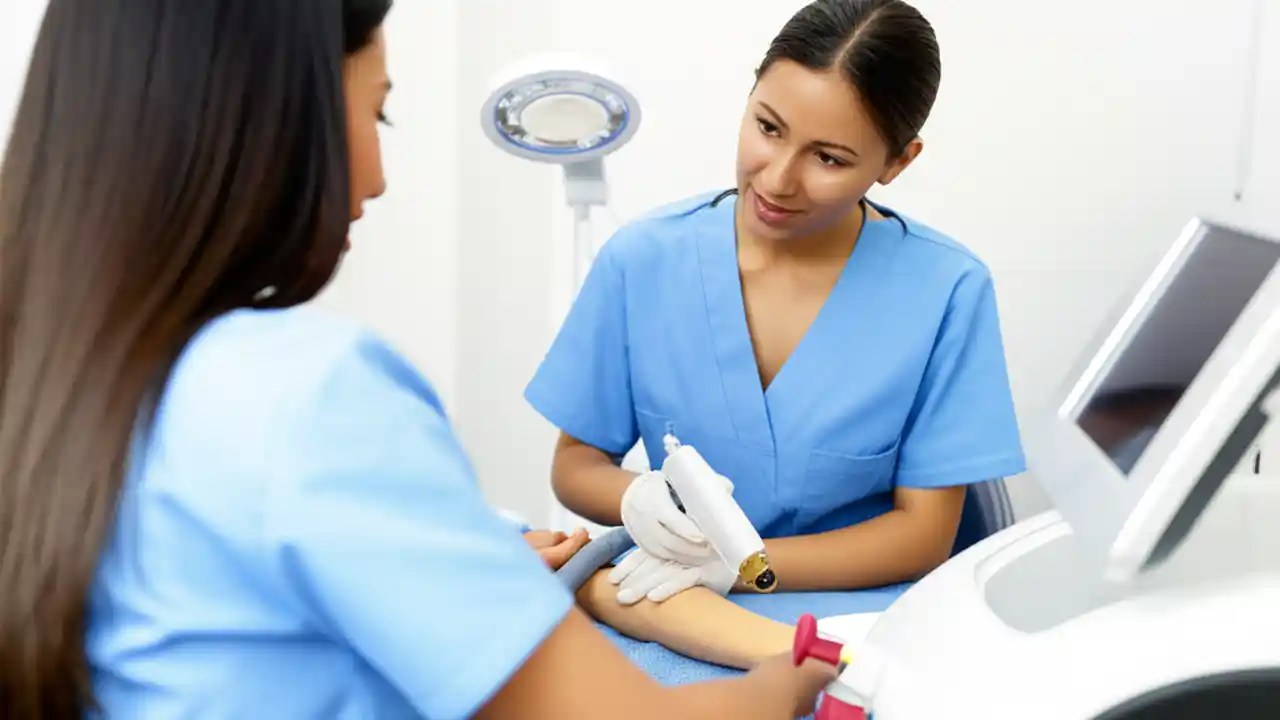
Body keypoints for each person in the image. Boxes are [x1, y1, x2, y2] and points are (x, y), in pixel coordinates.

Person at [0, 2, 835, 718]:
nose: (378, 176)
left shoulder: (49, 372)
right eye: (377, 114)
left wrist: (452, 558)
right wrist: (803, 674)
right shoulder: (303, 391)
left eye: (830, 156)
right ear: (275, 121)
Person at [526, 0, 1027, 610]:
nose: (777, 179)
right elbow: (576, 464)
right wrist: (635, 499)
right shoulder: (644, 260)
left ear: (898, 162)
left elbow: (923, 533)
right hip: (677, 596)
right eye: (767, 127)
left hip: (863, 615)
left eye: (829, 158)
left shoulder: (946, 290)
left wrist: (745, 566)